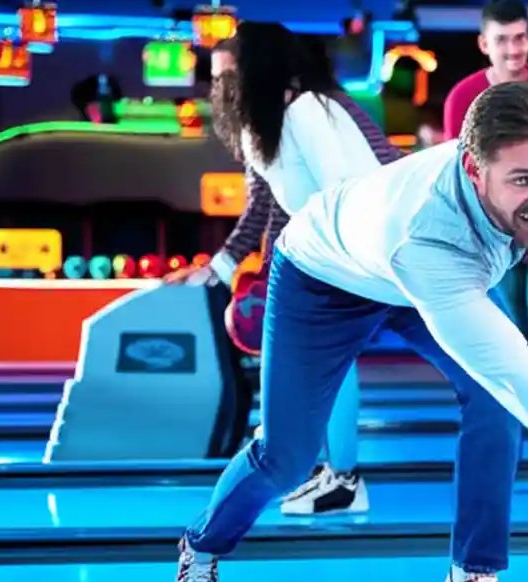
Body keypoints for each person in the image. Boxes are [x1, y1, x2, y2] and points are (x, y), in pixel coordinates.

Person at [170, 81, 528, 582]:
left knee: (491, 407)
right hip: (324, 279)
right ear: (474, 171)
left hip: (410, 271)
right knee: (288, 456)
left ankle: (471, 580)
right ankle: (201, 545)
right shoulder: (426, 237)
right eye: (523, 180)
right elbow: (512, 372)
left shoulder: (502, 185)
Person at [165, 22, 405, 518]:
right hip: (326, 254)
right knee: (317, 364)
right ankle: (325, 471)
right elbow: (268, 204)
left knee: (331, 363)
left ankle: (342, 478)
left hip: (363, 246)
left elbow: (364, 176)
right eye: (215, 79)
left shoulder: (313, 109)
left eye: (229, 76)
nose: (220, 90)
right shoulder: (265, 122)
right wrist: (220, 268)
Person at [443, 0, 528, 385]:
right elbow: (458, 169)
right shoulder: (463, 97)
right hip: (492, 229)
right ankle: (516, 418)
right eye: (502, 40)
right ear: (484, 44)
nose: (513, 48)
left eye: (520, 37)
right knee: (508, 326)